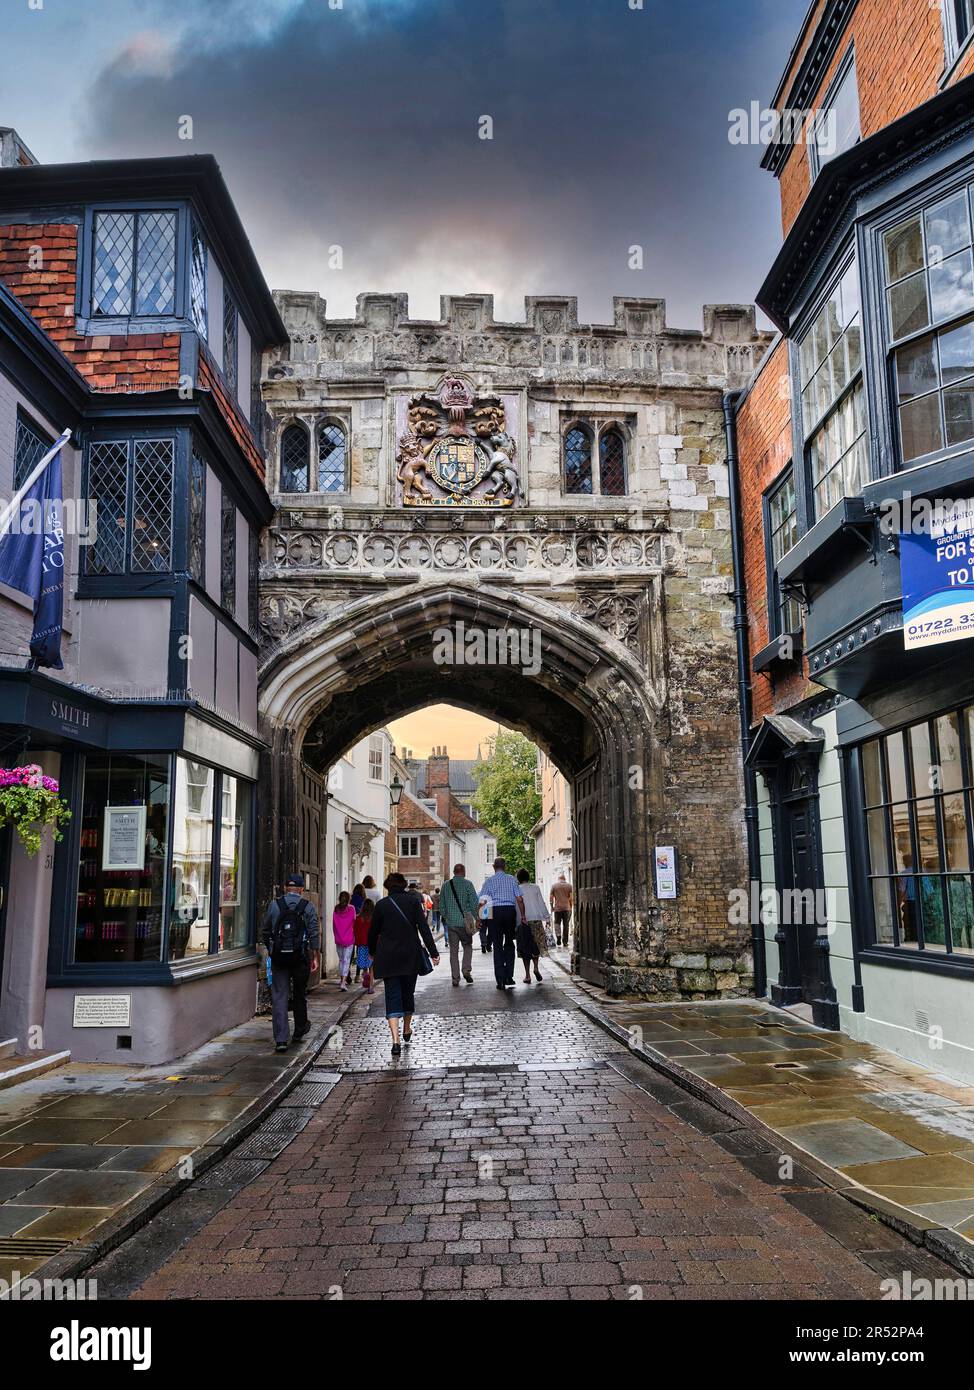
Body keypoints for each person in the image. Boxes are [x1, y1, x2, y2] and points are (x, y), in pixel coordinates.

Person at [367, 872, 439, 1056]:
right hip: (410, 956)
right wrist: (433, 953)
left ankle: (395, 1041)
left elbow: (373, 932)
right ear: (404, 885)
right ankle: (407, 1028)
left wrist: (372, 952)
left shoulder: (382, 905)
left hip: (388, 958)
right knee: (408, 993)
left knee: (392, 996)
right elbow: (423, 928)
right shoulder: (413, 902)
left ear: (388, 887)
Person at [261, 872, 320, 1053]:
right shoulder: (307, 906)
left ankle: (281, 1040)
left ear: (286, 888)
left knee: (279, 996)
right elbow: (313, 932)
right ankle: (299, 1029)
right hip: (300, 957)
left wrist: (272, 949)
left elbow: (265, 930)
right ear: (301, 889)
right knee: (300, 992)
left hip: (279, 957)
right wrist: (315, 956)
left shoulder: (274, 905)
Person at [479, 857, 524, 990]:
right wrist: (523, 916)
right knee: (509, 943)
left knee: (497, 945)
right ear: (505, 867)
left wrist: (481, 919)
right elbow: (520, 899)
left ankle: (500, 980)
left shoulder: (489, 881)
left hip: (495, 913)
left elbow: (482, 902)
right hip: (509, 912)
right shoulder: (512, 879)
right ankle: (509, 976)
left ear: (494, 867)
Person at [439, 863, 479, 987]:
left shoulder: (445, 885)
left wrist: (446, 917)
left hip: (451, 923)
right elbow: (474, 904)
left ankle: (455, 978)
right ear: (464, 871)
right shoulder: (468, 884)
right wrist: (477, 918)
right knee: (467, 946)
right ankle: (466, 970)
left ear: (453, 872)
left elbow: (441, 905)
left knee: (453, 952)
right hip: (465, 923)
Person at [516, 867, 550, 984]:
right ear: (528, 877)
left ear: (518, 878)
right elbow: (541, 902)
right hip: (536, 919)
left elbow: (516, 906)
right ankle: (536, 967)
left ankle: (527, 975)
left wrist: (516, 922)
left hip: (523, 920)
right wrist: (547, 917)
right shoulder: (535, 887)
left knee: (525, 947)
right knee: (536, 945)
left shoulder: (517, 889)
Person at [332, 890, 356, 990]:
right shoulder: (352, 909)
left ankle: (342, 980)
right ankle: (343, 982)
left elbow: (334, 923)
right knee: (346, 961)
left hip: (338, 939)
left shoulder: (336, 909)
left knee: (341, 960)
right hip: (349, 938)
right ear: (349, 899)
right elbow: (354, 921)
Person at [353, 897, 375, 993]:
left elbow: (355, 932)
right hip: (372, 945)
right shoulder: (374, 919)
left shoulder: (358, 918)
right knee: (372, 966)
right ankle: (371, 986)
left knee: (364, 964)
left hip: (361, 945)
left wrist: (356, 944)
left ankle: (365, 974)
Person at [550, 873, 573, 948]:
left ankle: (558, 936)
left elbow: (551, 898)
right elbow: (571, 898)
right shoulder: (569, 886)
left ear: (558, 879)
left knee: (557, 923)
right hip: (567, 908)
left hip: (557, 908)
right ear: (565, 879)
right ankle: (565, 942)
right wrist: (571, 906)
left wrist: (552, 906)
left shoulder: (554, 886)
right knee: (566, 925)